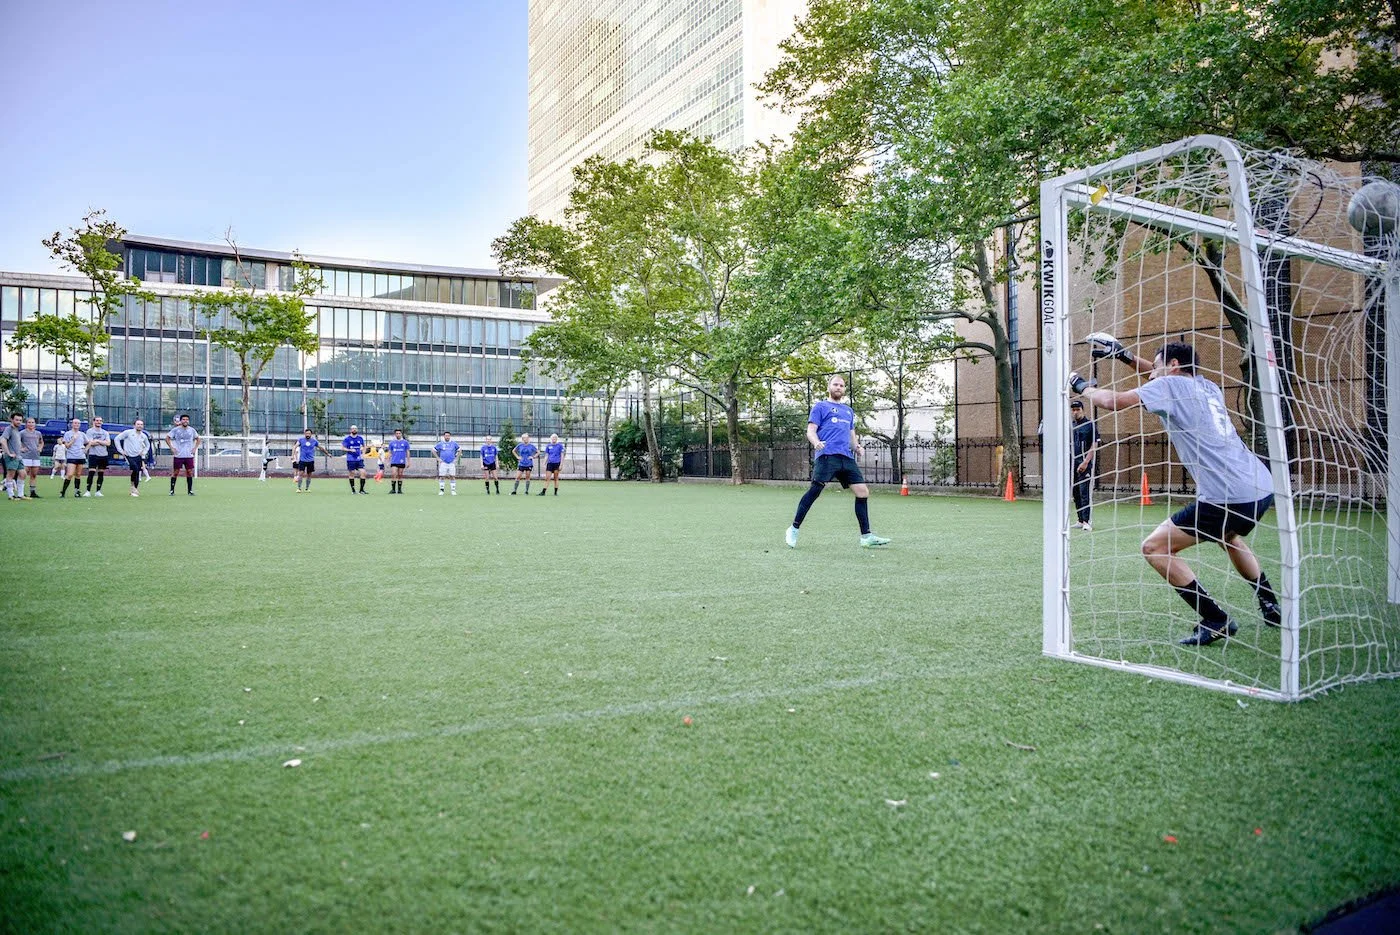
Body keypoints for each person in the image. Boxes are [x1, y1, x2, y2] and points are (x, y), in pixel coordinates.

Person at [1073, 335, 1280, 646]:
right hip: (1260, 486)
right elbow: (1158, 378)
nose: (1152, 372)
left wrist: (1079, 386)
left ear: (1173, 365)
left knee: (1154, 548)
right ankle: (1270, 604)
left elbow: (1111, 402)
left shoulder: (1169, 386)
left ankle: (1215, 618)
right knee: (1229, 537)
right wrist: (1125, 357)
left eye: (1157, 366)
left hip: (1227, 495)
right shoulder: (1206, 386)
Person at [784, 375, 891, 549]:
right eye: (835, 384)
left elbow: (851, 433)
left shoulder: (848, 411)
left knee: (862, 492)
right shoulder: (820, 407)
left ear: (844, 389)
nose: (838, 387)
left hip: (846, 457)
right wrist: (816, 442)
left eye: (841, 385)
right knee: (815, 490)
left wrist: (856, 446)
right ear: (829, 387)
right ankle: (793, 528)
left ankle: (866, 537)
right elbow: (810, 431)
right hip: (827, 455)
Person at [1070, 400, 1098, 530]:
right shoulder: (1071, 425)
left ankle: (1087, 521)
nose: (1075, 412)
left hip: (1084, 463)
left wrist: (1086, 462)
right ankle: (1080, 520)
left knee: (1084, 492)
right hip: (1072, 464)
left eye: (1077, 409)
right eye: (1073, 410)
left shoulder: (1090, 425)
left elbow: (1094, 444)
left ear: (1083, 410)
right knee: (1075, 492)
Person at [113, 419, 152, 497]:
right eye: (138, 424)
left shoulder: (143, 436)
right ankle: (133, 487)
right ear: (134, 425)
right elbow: (116, 439)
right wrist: (121, 450)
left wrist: (144, 452)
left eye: (141, 424)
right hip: (129, 455)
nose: (140, 426)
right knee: (135, 469)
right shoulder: (128, 432)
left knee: (137, 471)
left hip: (138, 456)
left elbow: (147, 445)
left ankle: (134, 490)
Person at [166, 413, 201, 496]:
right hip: (178, 455)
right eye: (184, 419)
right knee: (176, 472)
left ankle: (190, 491)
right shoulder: (176, 430)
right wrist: (171, 447)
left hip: (189, 455)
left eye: (187, 419)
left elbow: (198, 439)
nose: (185, 421)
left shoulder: (192, 430)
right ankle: (172, 490)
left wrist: (195, 448)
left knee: (189, 472)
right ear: (181, 421)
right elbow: (167, 438)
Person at [82, 416, 112, 497]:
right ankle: (88, 491)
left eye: (100, 421)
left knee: (101, 473)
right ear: (94, 422)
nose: (99, 422)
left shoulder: (105, 432)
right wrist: (102, 442)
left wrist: (98, 441)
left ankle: (98, 491)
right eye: (97, 420)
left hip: (103, 455)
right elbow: (90, 442)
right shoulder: (90, 431)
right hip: (93, 455)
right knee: (91, 472)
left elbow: (108, 443)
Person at [58, 418, 87, 499]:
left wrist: (85, 450)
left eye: (78, 423)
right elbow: (67, 445)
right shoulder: (68, 434)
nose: (76, 425)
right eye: (75, 423)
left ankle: (77, 491)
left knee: (78, 474)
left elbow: (88, 442)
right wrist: (73, 439)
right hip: (71, 456)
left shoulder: (82, 434)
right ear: (72, 424)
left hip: (80, 456)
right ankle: (63, 492)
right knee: (70, 474)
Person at [1, 413, 25, 501]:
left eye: (20, 420)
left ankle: (20, 495)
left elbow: (15, 443)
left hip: (18, 457)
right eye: (17, 420)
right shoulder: (9, 429)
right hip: (11, 457)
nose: (19, 422)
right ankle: (11, 495)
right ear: (11, 419)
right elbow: (3, 440)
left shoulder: (17, 430)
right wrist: (8, 453)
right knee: (10, 475)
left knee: (23, 474)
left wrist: (21, 449)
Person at [19, 416, 43, 498]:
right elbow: (16, 442)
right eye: (29, 422)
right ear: (26, 424)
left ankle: (32, 492)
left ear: (35, 424)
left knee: (34, 475)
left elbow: (41, 442)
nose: (31, 424)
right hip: (26, 456)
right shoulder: (22, 433)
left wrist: (40, 448)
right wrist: (21, 449)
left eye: (32, 422)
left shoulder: (38, 433)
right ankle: (20, 492)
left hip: (35, 456)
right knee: (23, 474)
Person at [342, 425, 369, 494]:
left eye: (355, 429)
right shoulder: (347, 439)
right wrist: (350, 450)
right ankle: (353, 490)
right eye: (353, 429)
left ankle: (361, 490)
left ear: (357, 430)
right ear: (350, 430)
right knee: (352, 473)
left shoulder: (360, 438)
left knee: (363, 472)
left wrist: (363, 454)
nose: (354, 430)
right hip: (351, 459)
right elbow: (343, 448)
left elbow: (364, 446)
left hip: (359, 459)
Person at [433, 430, 460, 495]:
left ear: (450, 436)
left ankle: (453, 490)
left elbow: (460, 450)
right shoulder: (440, 444)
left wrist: (456, 459)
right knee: (442, 476)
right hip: (443, 463)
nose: (447, 437)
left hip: (451, 463)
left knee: (452, 476)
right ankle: (441, 490)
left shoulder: (454, 443)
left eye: (448, 436)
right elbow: (433, 450)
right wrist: (438, 458)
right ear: (444, 436)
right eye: (446, 436)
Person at [386, 429, 411, 494]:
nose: (398, 434)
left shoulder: (405, 442)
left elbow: (407, 452)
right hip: (394, 461)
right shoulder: (392, 443)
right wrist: (388, 461)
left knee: (400, 475)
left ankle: (399, 490)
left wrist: (408, 461)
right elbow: (390, 452)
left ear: (401, 434)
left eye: (399, 433)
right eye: (397, 433)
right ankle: (393, 489)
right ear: (395, 434)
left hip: (402, 461)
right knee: (394, 474)